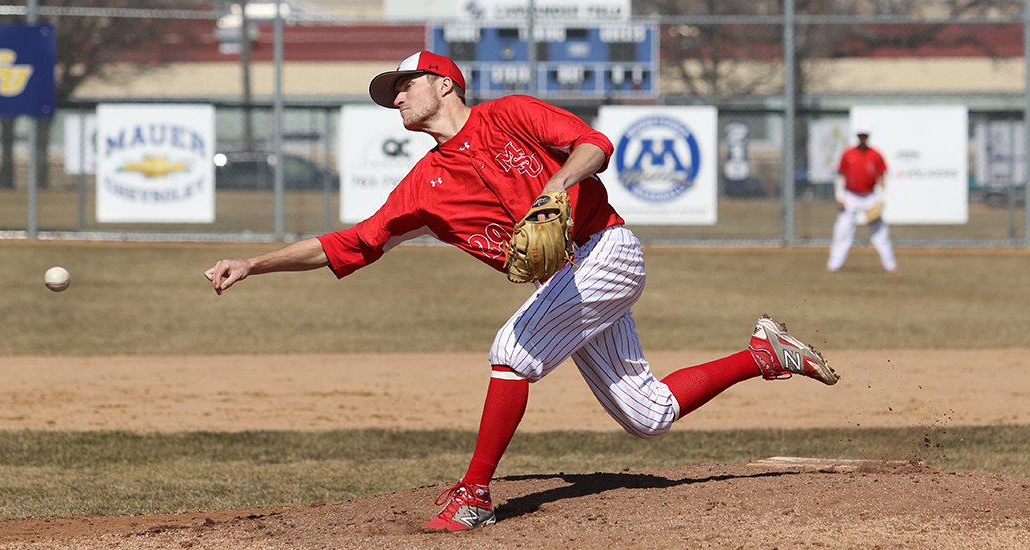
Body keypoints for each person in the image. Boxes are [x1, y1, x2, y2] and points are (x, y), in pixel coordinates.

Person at [205, 51, 839, 533]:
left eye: (406, 84)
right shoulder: (424, 186)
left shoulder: (507, 115)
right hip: (565, 277)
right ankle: (764, 353)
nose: (396, 97)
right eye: (390, 92)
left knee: (511, 348)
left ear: (444, 83)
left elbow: (595, 144)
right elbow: (353, 243)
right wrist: (253, 263)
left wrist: (557, 184)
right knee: (648, 416)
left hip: (605, 249)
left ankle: (474, 495)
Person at [827, 127, 898, 274]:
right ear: (857, 137)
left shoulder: (875, 154)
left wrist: (881, 199)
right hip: (851, 195)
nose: (862, 138)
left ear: (868, 137)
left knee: (880, 232)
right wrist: (839, 197)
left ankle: (890, 265)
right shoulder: (848, 153)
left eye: (865, 136)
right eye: (860, 136)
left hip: (870, 195)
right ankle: (834, 265)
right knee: (843, 230)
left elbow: (882, 177)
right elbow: (840, 176)